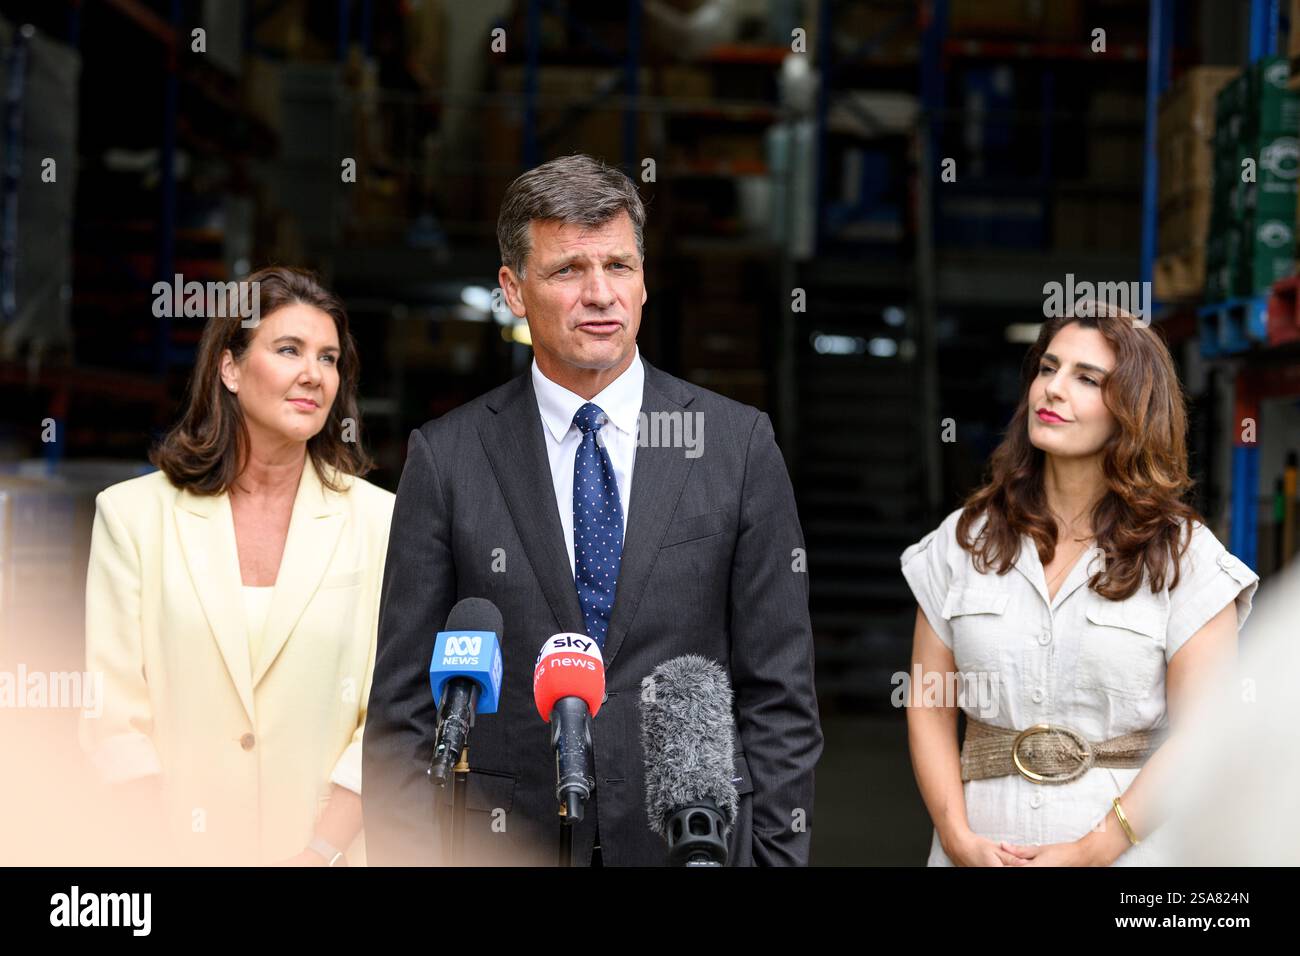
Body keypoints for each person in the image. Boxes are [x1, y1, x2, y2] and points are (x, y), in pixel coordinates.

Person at [363, 153, 823, 866]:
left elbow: (780, 693)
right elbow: (402, 714)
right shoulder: (447, 457)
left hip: (690, 846)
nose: (600, 294)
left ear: (646, 280)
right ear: (513, 290)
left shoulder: (737, 445)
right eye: (568, 270)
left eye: (619, 266)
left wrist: (771, 859)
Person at [902, 304, 1258, 866]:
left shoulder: (1185, 558)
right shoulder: (963, 541)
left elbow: (1204, 732)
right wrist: (955, 836)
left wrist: (1095, 850)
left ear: (1133, 410)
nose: (1053, 390)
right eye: (1048, 369)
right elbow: (929, 704)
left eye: (1086, 379)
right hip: (979, 851)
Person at [81, 266, 394, 866]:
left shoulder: (381, 522)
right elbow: (113, 721)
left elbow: (387, 719)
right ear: (229, 368)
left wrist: (317, 853)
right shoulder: (132, 518)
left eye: (328, 358)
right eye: (288, 350)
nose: (313, 375)